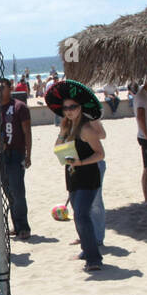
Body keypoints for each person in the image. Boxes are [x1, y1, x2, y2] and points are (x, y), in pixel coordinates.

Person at [48, 80, 105, 271]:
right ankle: (86, 250)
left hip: (88, 178)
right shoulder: (68, 126)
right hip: (72, 177)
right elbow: (57, 148)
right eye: (65, 108)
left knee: (82, 215)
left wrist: (81, 162)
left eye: (72, 107)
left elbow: (100, 154)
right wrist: (63, 131)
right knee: (78, 216)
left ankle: (94, 259)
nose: (69, 111)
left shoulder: (86, 128)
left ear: (80, 107)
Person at [0, 78, 32, 239]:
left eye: (2, 87)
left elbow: (27, 132)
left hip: (16, 154)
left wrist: (28, 154)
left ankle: (23, 227)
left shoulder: (19, 107)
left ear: (10, 88)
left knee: (18, 192)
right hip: (0, 156)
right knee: (8, 192)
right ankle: (16, 226)